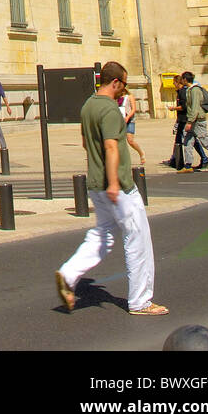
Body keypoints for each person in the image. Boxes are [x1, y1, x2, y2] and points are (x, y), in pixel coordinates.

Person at [55, 61, 168, 317]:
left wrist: (101, 173)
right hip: (118, 185)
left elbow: (85, 142)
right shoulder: (110, 110)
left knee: (102, 235)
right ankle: (140, 301)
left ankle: (68, 274)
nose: (124, 90)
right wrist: (115, 182)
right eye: (124, 85)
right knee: (137, 238)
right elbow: (111, 146)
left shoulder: (87, 106)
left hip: (95, 183)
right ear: (115, 82)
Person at [118, 84, 145, 165]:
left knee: (130, 140)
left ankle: (141, 153)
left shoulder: (129, 96)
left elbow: (133, 109)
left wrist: (128, 117)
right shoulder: (117, 97)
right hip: (120, 120)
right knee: (119, 140)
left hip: (129, 120)